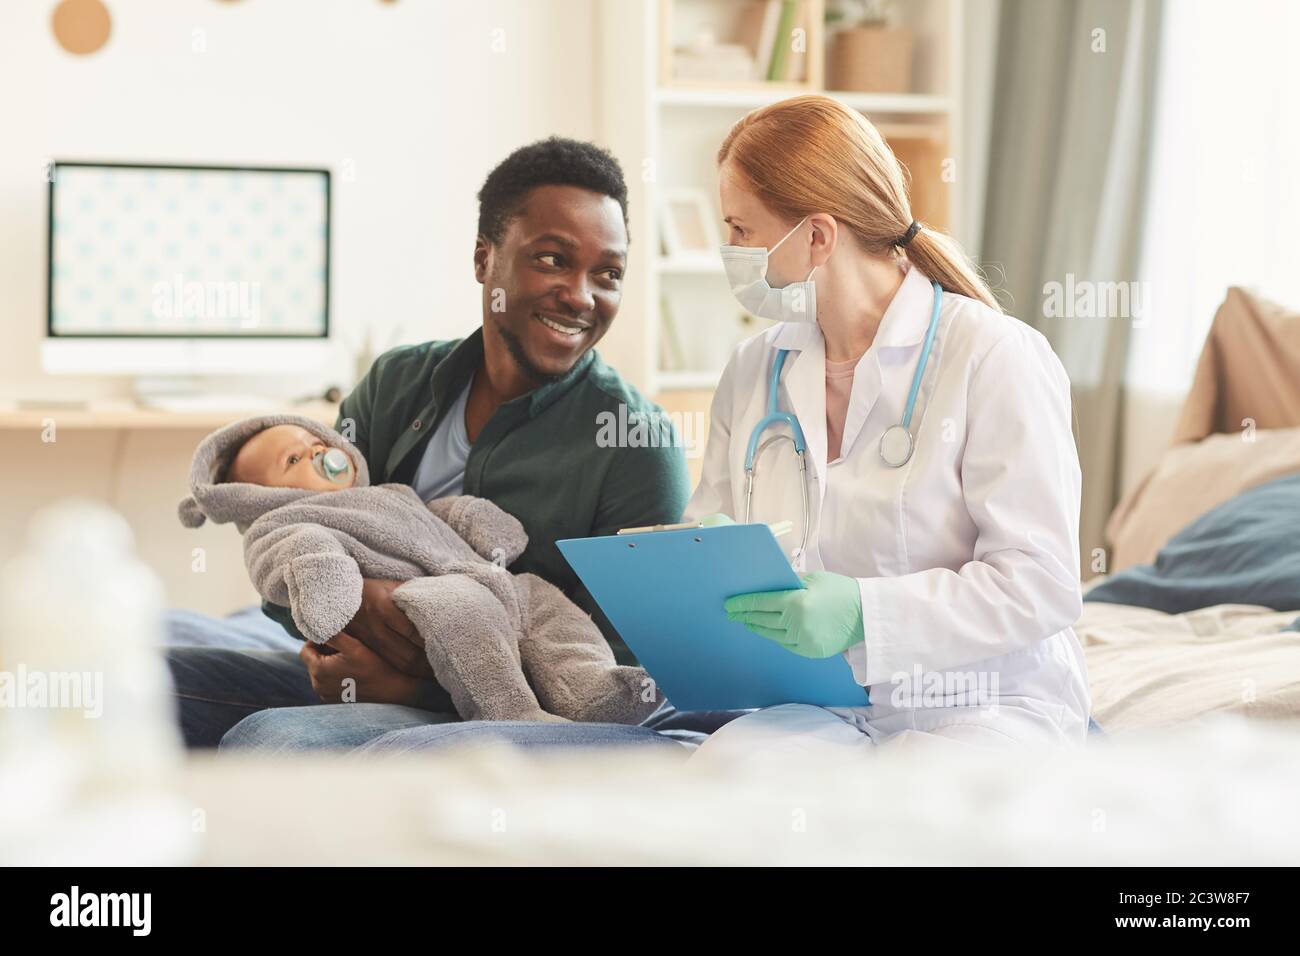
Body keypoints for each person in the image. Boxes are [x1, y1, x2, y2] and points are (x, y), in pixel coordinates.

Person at [167, 137, 690, 753]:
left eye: (607, 273)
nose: (580, 295)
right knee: (145, 682)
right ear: (484, 259)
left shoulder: (636, 443)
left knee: (275, 741)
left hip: (510, 709)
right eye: (552, 260)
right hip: (357, 674)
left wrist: (411, 687)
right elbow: (293, 524)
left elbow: (619, 682)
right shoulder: (398, 382)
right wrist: (343, 630)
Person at [684, 95, 1091, 762]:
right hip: (827, 704)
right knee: (725, 775)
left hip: (987, 699)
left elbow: (1040, 583)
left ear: (816, 236)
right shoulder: (755, 369)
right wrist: (705, 563)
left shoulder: (992, 356)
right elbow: (715, 530)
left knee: (910, 809)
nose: (728, 251)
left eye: (740, 229)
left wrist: (865, 613)